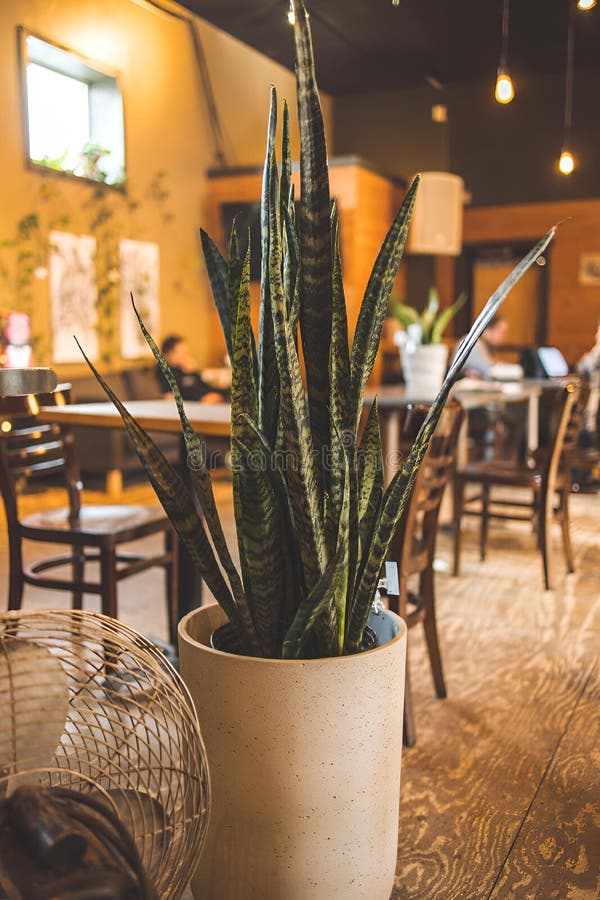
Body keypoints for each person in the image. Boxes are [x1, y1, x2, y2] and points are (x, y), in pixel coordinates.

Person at [157, 335, 226, 403]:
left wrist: (195, 371)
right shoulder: (162, 371)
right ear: (169, 353)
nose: (185, 356)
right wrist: (201, 400)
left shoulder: (186, 368)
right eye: (182, 352)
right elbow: (174, 394)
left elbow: (203, 386)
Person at [456, 314, 508, 379]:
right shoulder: (473, 344)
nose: (503, 337)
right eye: (501, 332)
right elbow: (489, 371)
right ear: (487, 330)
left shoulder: (483, 344)